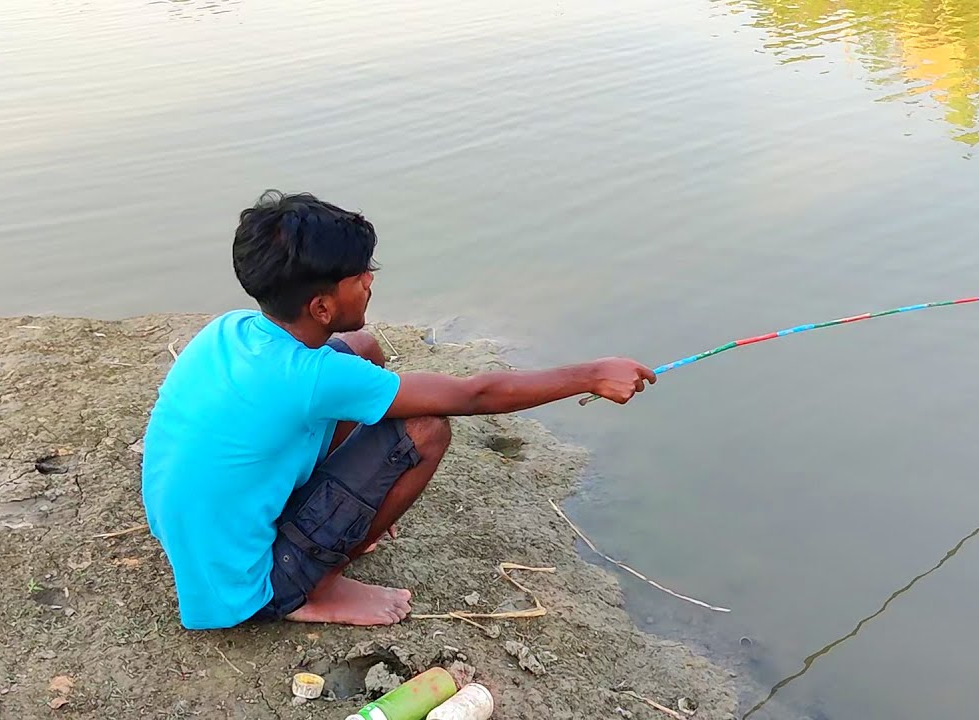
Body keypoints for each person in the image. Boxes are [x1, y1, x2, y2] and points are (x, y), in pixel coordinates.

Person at [140, 190, 655, 630]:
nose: (369, 279)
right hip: (248, 586)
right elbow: (475, 395)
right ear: (321, 307)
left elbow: (334, 371)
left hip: (197, 544)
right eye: (359, 275)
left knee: (362, 349)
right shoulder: (311, 377)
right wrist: (591, 374)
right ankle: (317, 587)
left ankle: (318, 521)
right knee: (425, 429)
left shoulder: (230, 329)